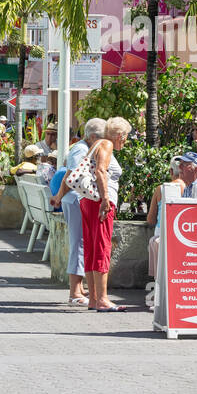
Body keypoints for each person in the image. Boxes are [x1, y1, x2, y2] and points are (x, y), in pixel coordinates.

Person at [83, 117, 132, 312]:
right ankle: (102, 299)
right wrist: (105, 200)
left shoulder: (96, 144)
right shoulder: (107, 144)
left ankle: (94, 298)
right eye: (126, 137)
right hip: (100, 202)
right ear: (119, 135)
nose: (126, 141)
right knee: (102, 247)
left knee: (92, 248)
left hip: (88, 201)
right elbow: (101, 171)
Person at [52, 123, 99, 306]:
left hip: (74, 199)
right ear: (93, 136)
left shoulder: (81, 148)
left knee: (80, 243)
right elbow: (72, 176)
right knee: (78, 244)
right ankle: (75, 292)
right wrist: (59, 196)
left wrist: (59, 197)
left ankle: (78, 289)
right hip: (75, 200)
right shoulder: (81, 149)